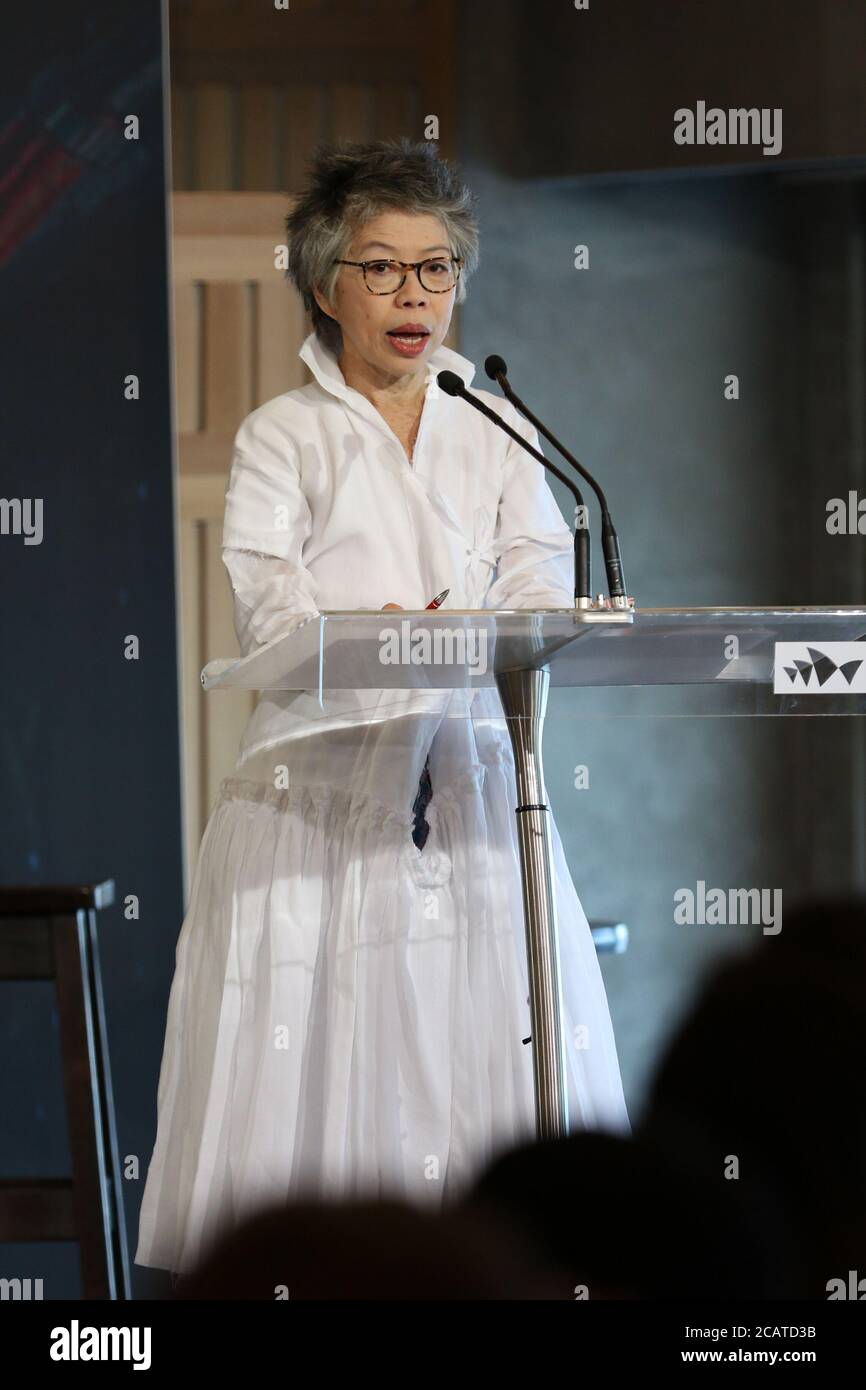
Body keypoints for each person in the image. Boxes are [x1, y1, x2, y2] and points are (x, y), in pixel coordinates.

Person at [135, 137, 630, 1276]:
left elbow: (537, 592)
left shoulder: (497, 428)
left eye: (435, 268)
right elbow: (271, 615)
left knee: (479, 1093)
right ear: (324, 286)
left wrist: (454, 627)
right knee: (315, 1099)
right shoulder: (280, 435)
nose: (413, 295)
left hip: (471, 803)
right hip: (317, 810)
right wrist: (394, 627)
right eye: (380, 268)